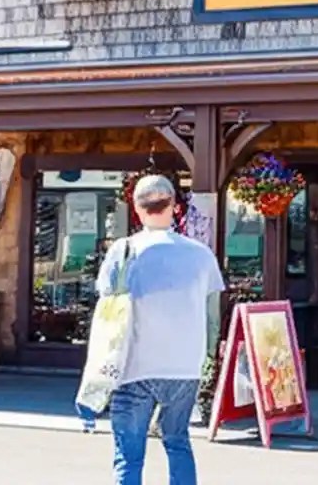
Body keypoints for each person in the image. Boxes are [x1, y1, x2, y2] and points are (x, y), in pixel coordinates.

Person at [99, 174, 225, 485]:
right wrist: (208, 358)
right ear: (174, 206)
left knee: (129, 455)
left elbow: (107, 304)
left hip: (134, 364)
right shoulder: (201, 254)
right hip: (184, 367)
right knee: (178, 441)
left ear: (136, 208)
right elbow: (212, 316)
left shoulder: (124, 250)